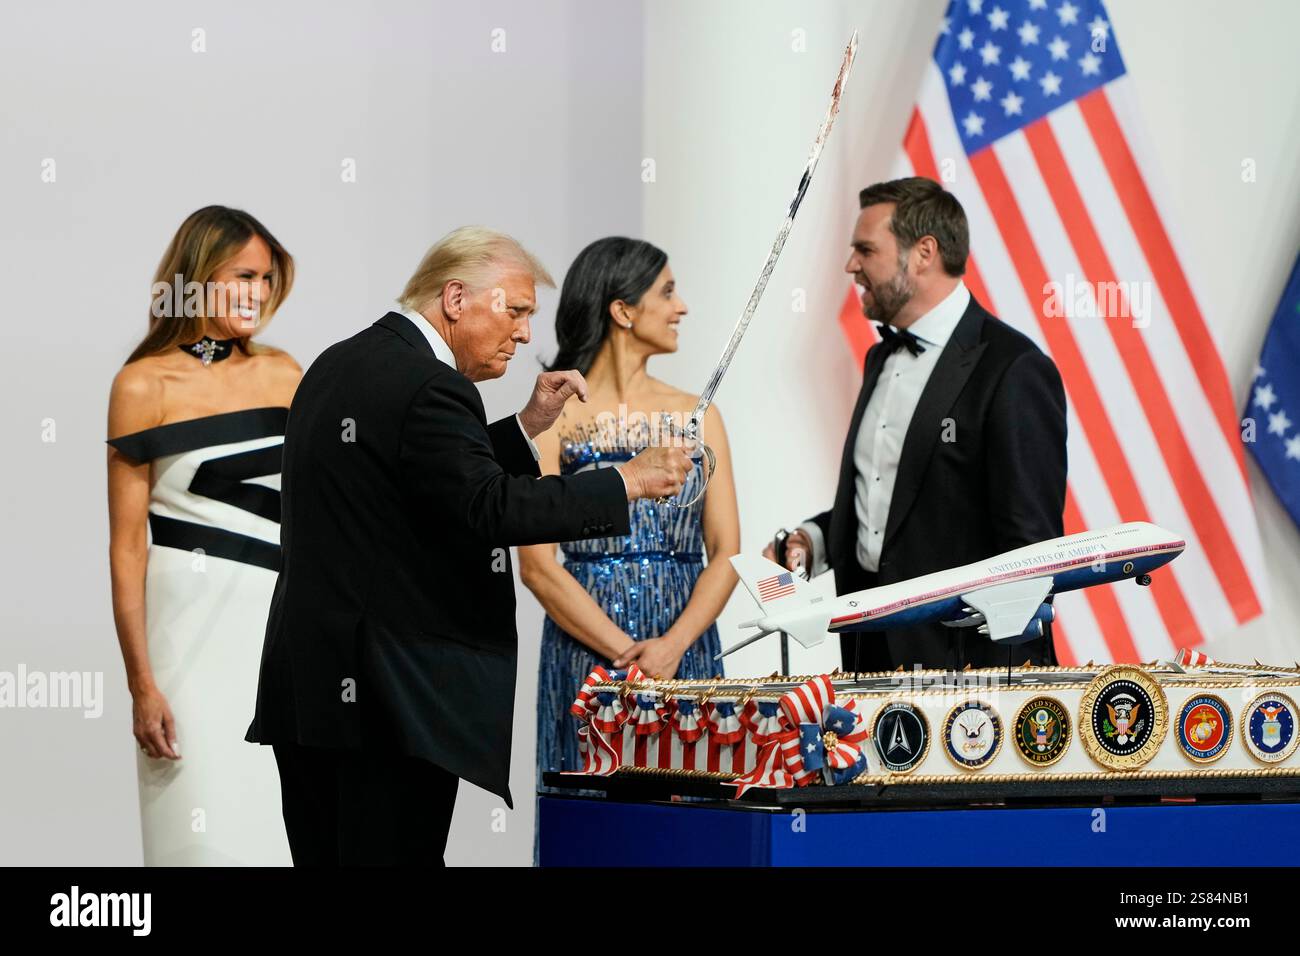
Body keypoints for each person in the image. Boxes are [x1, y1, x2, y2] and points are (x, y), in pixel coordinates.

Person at [245, 226, 692, 866]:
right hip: (390, 703)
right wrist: (628, 480)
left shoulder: (339, 363)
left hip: (313, 694)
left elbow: (423, 484)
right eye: (514, 311)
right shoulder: (433, 384)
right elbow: (486, 507)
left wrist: (524, 428)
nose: (525, 334)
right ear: (456, 299)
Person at [767, 177, 1067, 673]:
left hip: (969, 678)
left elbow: (1032, 551)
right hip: (867, 656)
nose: (851, 266)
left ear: (923, 253)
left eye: (865, 250)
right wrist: (814, 539)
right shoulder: (879, 359)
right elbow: (894, 502)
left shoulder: (1014, 369)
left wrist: (999, 685)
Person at [106, 205, 301, 865]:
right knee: (201, 845)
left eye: (267, 279)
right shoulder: (142, 384)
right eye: (242, 275)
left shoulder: (285, 374)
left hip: (280, 644)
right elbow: (127, 546)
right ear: (195, 276)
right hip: (186, 650)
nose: (258, 293)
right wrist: (141, 686)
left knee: (282, 841)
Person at [519, 237, 740, 807]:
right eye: (667, 292)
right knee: (591, 819)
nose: (681, 307)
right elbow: (539, 567)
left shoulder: (699, 415)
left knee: (690, 825)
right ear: (622, 310)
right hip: (586, 651)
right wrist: (630, 656)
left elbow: (727, 553)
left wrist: (671, 647)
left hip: (685, 649)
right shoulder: (553, 416)